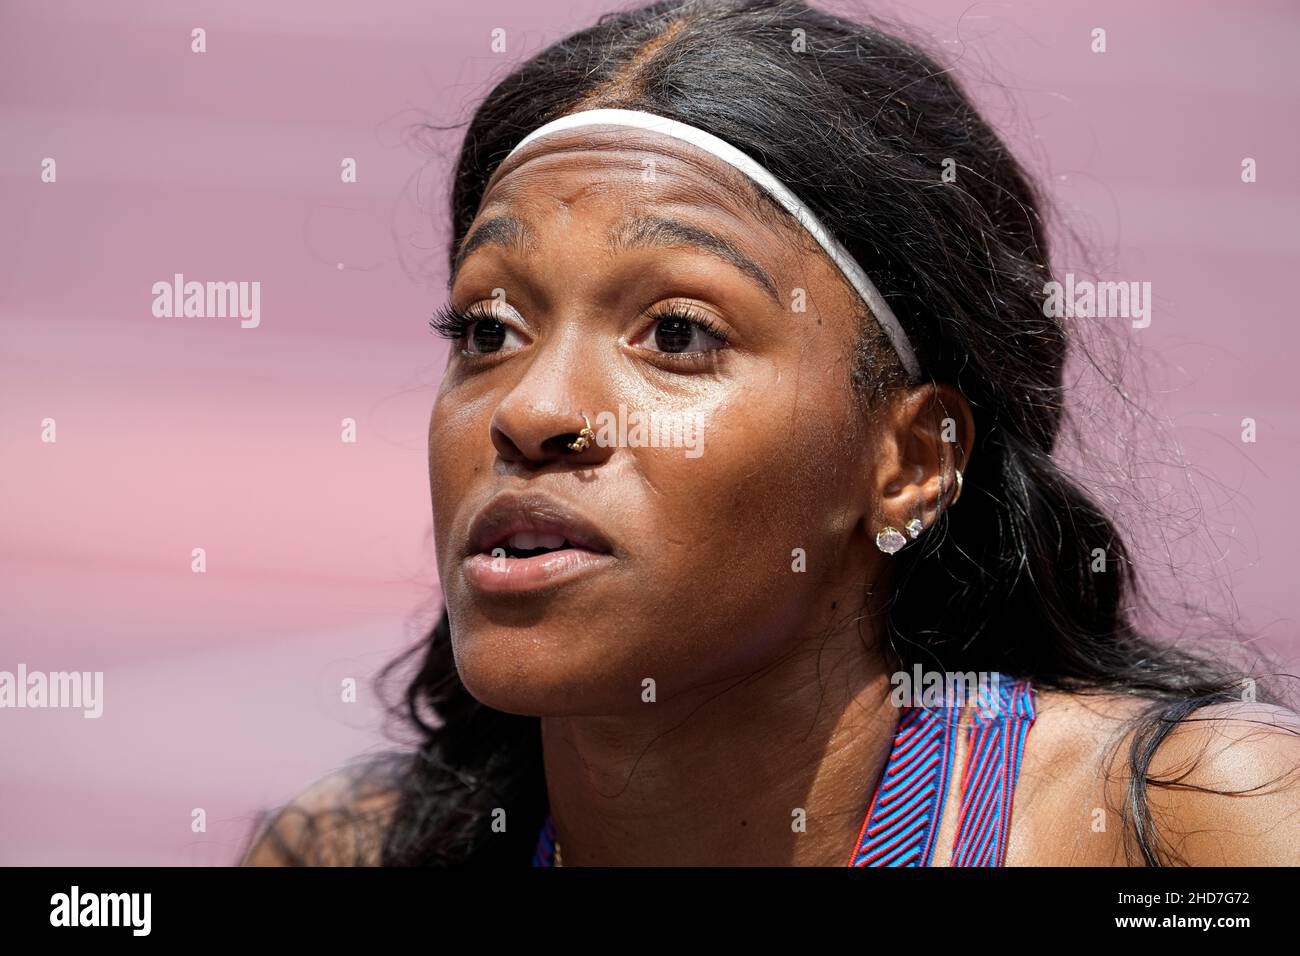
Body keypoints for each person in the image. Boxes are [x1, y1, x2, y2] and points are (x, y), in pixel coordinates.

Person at [240, 0, 1299, 867]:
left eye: (677, 332)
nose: (534, 411)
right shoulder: (353, 852)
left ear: (911, 463)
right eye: (487, 328)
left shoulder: (1188, 833)